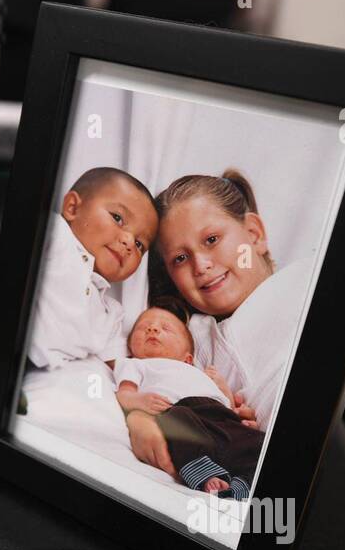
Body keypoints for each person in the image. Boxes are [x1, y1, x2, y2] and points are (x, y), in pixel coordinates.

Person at [126, 169, 310, 477]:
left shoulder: (307, 278)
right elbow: (155, 385)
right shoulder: (193, 340)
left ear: (254, 234)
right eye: (180, 259)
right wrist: (138, 419)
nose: (201, 265)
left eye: (212, 240)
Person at [114, 299, 262, 500]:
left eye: (166, 328)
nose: (153, 330)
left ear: (188, 358)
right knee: (177, 420)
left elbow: (227, 404)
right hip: (180, 410)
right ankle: (205, 474)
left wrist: (227, 396)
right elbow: (124, 395)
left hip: (221, 417)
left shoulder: (198, 372)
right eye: (143, 328)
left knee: (257, 444)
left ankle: (243, 484)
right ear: (131, 349)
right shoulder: (136, 364)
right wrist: (139, 401)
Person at [26, 166, 158, 370]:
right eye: (117, 218)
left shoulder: (110, 313)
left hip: (38, 375)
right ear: (72, 208)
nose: (129, 242)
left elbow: (118, 365)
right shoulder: (57, 236)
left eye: (140, 244)